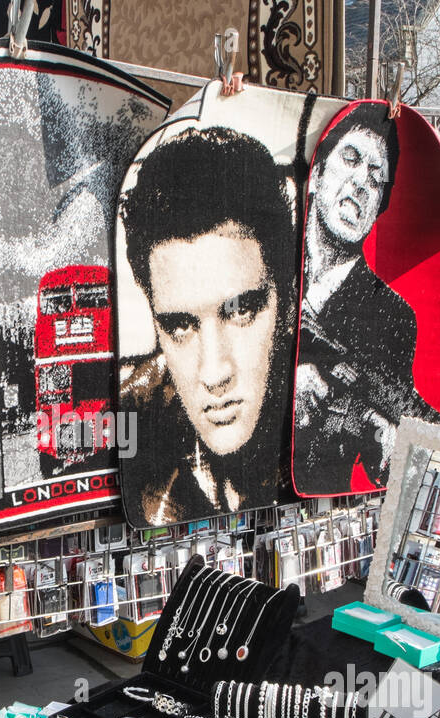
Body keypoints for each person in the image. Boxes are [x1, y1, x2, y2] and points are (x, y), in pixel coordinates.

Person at [119, 127, 296, 525]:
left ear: (286, 299)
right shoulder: (134, 428)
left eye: (239, 311)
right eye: (179, 326)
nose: (214, 372)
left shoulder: (330, 416)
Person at [293, 102, 440, 492]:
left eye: (376, 180)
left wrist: (329, 399)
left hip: (318, 515)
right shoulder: (268, 270)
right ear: (320, 167)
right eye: (351, 158)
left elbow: (385, 454)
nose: (361, 182)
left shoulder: (392, 317)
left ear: (379, 207)